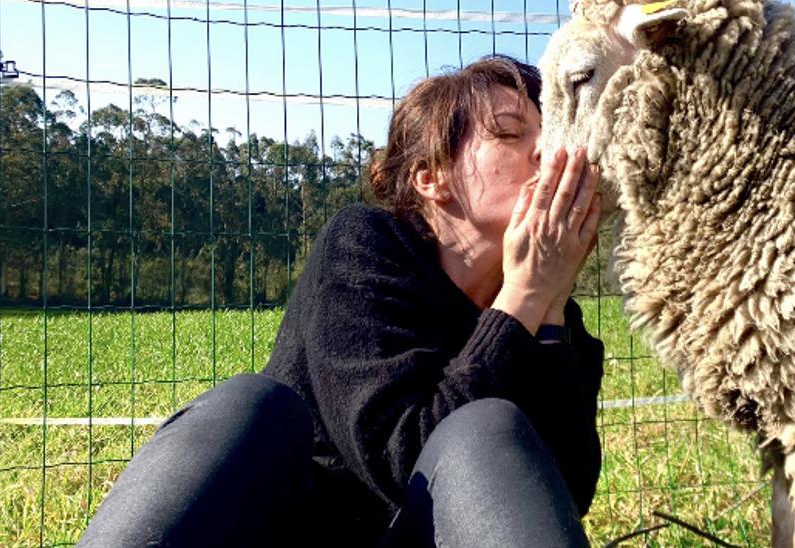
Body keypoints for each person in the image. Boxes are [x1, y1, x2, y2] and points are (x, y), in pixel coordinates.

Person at [78, 55, 605, 547]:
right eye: (511, 133)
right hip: (301, 532)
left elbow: (566, 491)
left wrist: (547, 307)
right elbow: (398, 457)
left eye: (550, 131)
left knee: (486, 430)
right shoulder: (368, 245)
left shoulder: (548, 305)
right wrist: (524, 296)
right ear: (431, 177)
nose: (548, 150)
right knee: (250, 406)